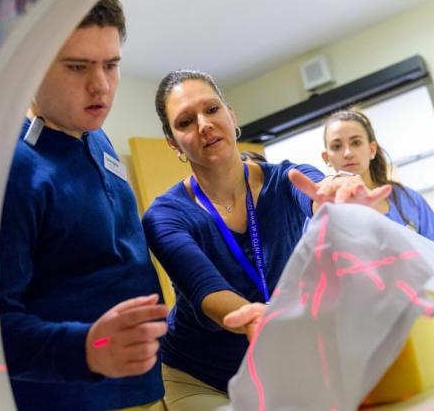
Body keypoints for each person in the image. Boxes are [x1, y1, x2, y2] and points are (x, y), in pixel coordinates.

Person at [142, 70, 390, 410]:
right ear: (172, 142)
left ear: (231, 114)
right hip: (201, 375)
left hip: (283, 362)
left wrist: (336, 197)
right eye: (185, 122)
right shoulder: (165, 216)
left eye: (212, 110)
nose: (204, 125)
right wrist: (262, 318)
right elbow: (206, 291)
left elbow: (317, 195)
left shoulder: (286, 178)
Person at [0, 0, 168, 411]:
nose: (102, 86)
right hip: (71, 399)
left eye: (111, 65)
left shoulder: (98, 138)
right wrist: (86, 350)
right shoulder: (8, 168)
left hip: (146, 387)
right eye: (78, 67)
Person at [321, 108, 434, 240]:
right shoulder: (321, 211)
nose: (348, 153)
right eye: (337, 146)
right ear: (327, 158)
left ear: (372, 149)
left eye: (356, 143)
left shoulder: (409, 199)